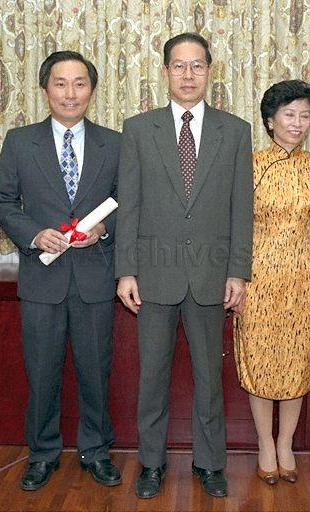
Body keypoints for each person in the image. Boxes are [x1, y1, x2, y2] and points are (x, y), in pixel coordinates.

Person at [115, 32, 253, 499]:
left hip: (212, 276)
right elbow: (128, 205)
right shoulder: (138, 129)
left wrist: (238, 271)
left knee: (208, 380)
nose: (188, 74)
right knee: (151, 377)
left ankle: (210, 463)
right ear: (166, 71)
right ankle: (150, 463)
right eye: (179, 65)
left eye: (197, 66)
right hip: (153, 276)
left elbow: (241, 208)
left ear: (210, 71)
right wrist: (125, 271)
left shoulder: (234, 131)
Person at [0, 51, 122, 491]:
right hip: (41, 278)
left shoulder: (114, 143)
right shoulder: (19, 140)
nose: (70, 93)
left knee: (95, 372)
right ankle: (42, 453)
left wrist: (104, 228)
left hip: (94, 279)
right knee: (42, 373)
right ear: (45, 89)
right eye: (61, 84)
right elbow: (1, 200)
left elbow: (132, 201)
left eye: (79, 83)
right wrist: (33, 233)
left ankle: (96, 451)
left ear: (92, 89)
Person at [233, 80, 310, 485]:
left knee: (297, 361)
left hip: (303, 276)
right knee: (260, 360)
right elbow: (235, 228)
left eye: (305, 115)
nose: (297, 123)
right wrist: (236, 279)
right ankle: (264, 443)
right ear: (270, 119)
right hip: (258, 276)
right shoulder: (251, 165)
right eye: (289, 114)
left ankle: (286, 443)